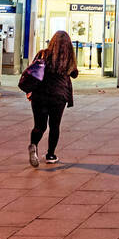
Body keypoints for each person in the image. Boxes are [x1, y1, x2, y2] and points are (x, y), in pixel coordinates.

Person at [24, 30, 79, 167]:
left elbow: (33, 69)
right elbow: (74, 74)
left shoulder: (43, 54)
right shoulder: (69, 57)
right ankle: (50, 155)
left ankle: (34, 146)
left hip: (40, 95)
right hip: (58, 96)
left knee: (39, 126)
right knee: (54, 126)